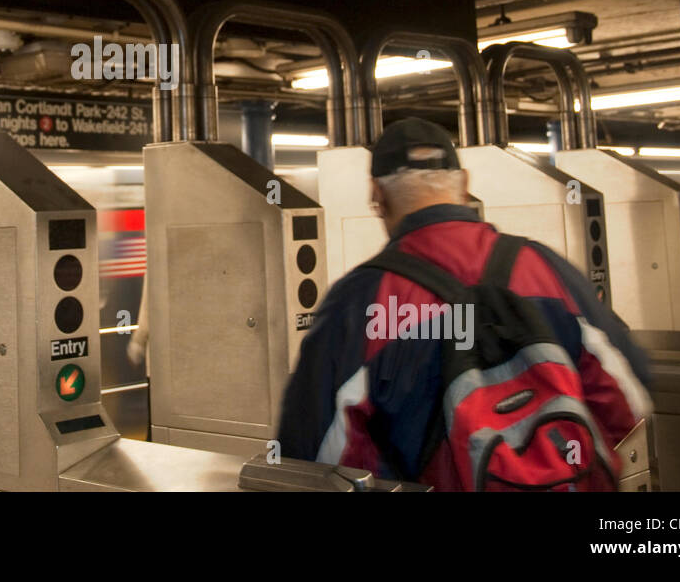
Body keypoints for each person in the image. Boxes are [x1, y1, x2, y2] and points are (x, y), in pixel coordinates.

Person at [276, 117, 652, 490]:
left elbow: (313, 450)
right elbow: (631, 398)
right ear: (465, 184)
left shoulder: (361, 300)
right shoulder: (542, 266)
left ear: (376, 194)